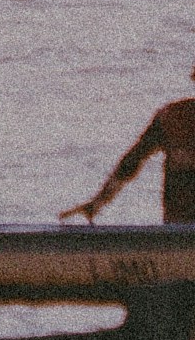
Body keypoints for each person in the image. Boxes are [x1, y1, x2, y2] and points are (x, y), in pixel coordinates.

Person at [59, 65, 195, 225]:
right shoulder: (171, 117)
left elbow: (132, 161)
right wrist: (97, 203)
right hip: (180, 222)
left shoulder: (170, 116)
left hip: (178, 225)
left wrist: (98, 202)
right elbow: (132, 161)